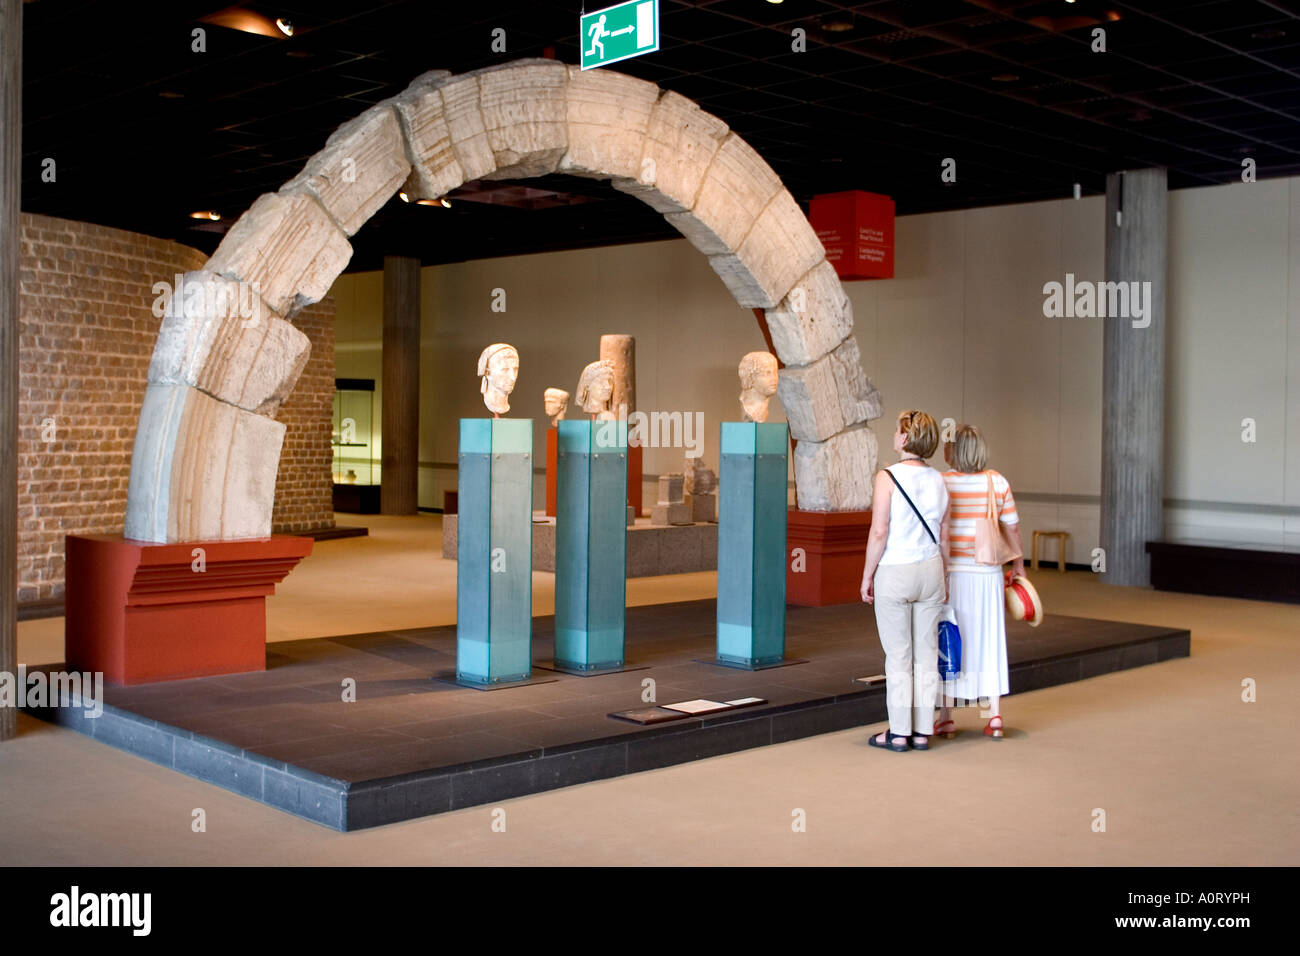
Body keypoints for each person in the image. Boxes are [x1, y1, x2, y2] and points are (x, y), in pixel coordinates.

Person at [860, 410, 950, 752]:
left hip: (896, 570)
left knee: (898, 655)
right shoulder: (940, 480)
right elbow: (944, 536)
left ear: (905, 438)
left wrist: (867, 574)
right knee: (926, 654)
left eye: (898, 430)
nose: (895, 435)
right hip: (931, 569)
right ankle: (923, 730)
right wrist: (946, 576)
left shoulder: (888, 477)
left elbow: (880, 531)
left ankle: (899, 732)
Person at [937, 425, 1025, 740]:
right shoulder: (997, 481)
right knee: (990, 640)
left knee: (951, 639)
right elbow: (1012, 529)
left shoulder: (943, 482)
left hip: (953, 574)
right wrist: (1019, 565)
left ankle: (946, 715)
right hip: (987, 574)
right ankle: (996, 714)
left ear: (953, 451)